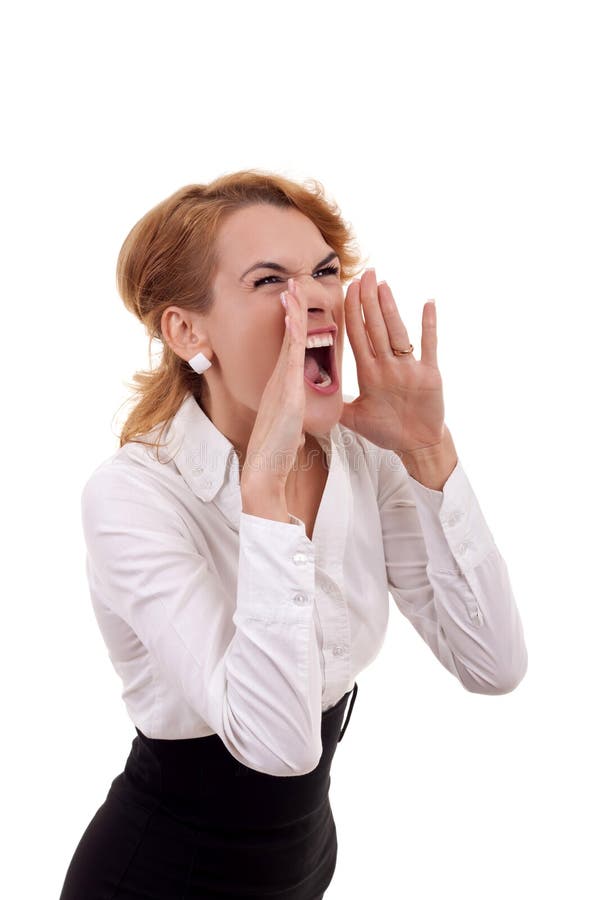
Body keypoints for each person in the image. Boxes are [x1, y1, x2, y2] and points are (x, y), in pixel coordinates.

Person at [59, 169, 528, 899]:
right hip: (160, 875)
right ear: (188, 330)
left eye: (325, 272)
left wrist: (429, 450)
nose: (313, 301)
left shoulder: (364, 454)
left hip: (305, 863)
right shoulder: (130, 496)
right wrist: (265, 493)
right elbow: (277, 746)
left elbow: (494, 664)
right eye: (269, 279)